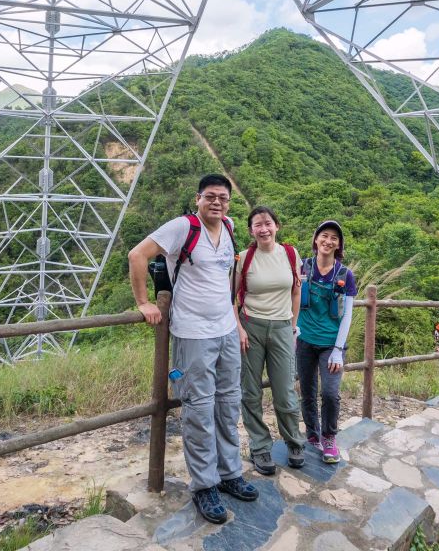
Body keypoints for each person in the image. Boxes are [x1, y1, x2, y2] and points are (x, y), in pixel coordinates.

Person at [128, 174, 258, 525]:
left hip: (226, 331)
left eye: (223, 198)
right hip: (193, 333)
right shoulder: (182, 227)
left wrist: (234, 315)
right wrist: (143, 302)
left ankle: (230, 473)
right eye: (211, 197)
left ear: (229, 203)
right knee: (199, 408)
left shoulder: (228, 227)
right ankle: (205, 485)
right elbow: (137, 254)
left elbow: (226, 277)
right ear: (198, 198)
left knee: (229, 402)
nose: (217, 202)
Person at [234, 206, 306, 476]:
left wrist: (293, 325)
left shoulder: (290, 253)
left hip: (282, 327)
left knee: (286, 390)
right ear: (251, 230)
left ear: (277, 226)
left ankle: (294, 441)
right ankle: (260, 446)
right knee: (250, 391)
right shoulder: (244, 258)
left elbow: (296, 292)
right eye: (257, 225)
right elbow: (232, 296)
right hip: (251, 326)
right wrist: (239, 327)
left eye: (267, 223)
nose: (263, 229)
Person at [296, 220, 357, 464]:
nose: (328, 241)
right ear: (316, 239)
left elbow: (348, 314)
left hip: (330, 345)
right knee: (308, 393)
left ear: (338, 245)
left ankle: (329, 436)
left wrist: (338, 350)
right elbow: (290, 297)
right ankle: (313, 435)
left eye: (334, 237)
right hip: (304, 342)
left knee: (330, 393)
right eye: (324, 235)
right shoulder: (302, 267)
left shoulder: (345, 275)